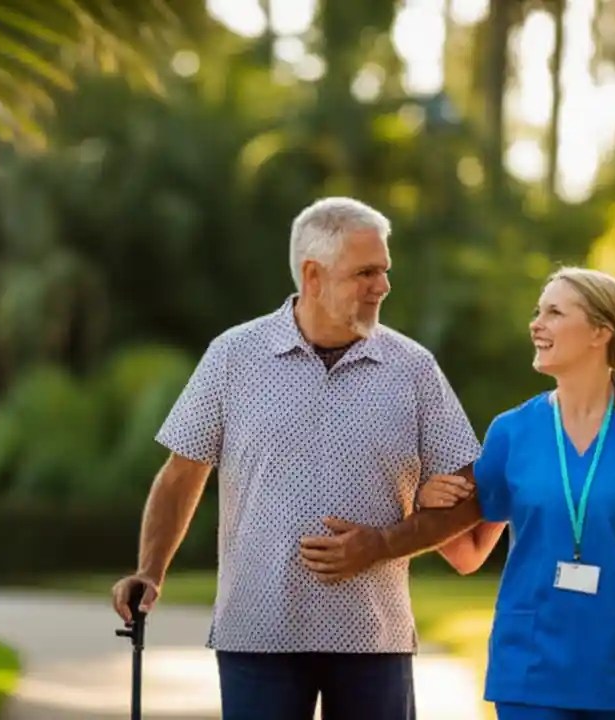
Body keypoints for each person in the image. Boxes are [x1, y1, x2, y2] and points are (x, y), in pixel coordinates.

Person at [110, 197, 484, 720]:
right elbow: (181, 474)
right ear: (313, 275)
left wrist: (381, 544)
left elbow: (472, 497)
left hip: (374, 639)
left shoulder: (413, 368)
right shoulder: (233, 356)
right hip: (257, 634)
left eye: (384, 270)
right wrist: (150, 571)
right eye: (366, 273)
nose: (383, 285)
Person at [418, 267, 615, 720]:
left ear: (600, 332)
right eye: (539, 311)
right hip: (530, 670)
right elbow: (469, 554)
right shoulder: (511, 432)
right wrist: (422, 502)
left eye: (554, 312)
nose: (536, 324)